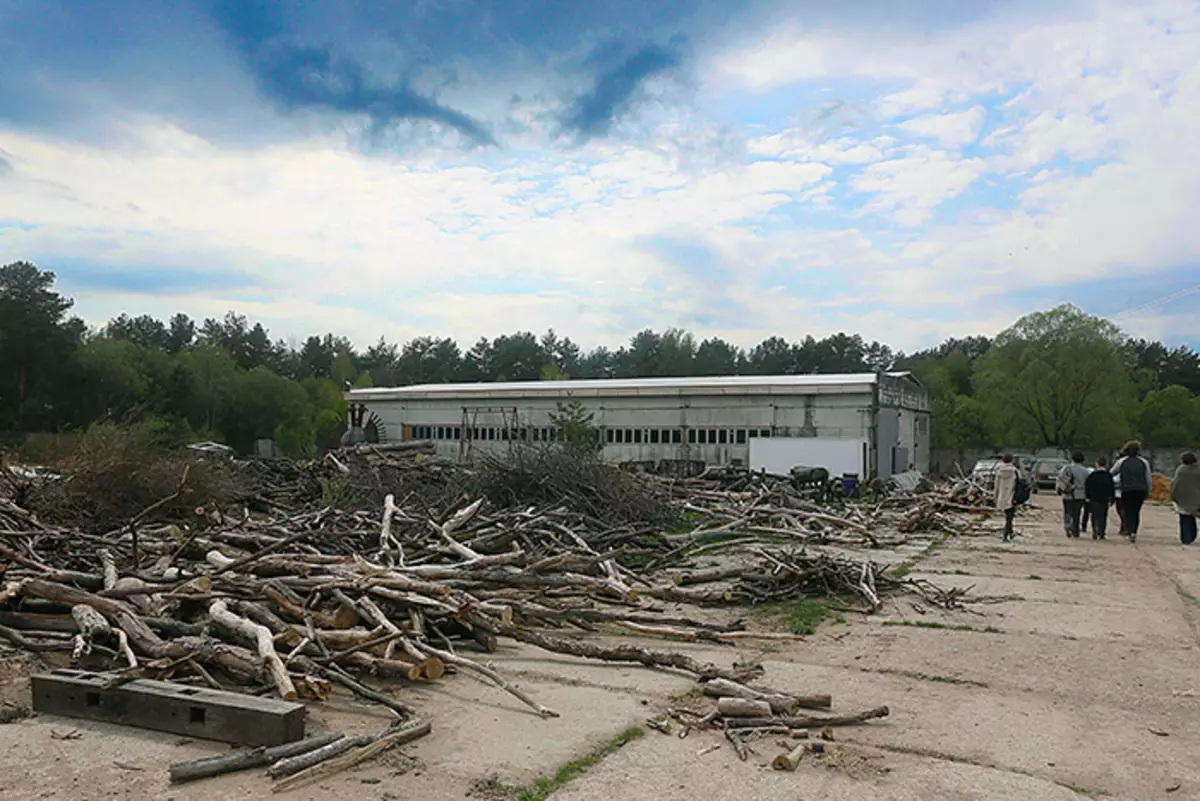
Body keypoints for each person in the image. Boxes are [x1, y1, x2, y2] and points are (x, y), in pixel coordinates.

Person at [1111, 441, 1152, 543]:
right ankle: (1134, 531)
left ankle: (1128, 530)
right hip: (1140, 489)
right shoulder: (1144, 462)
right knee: (1136, 511)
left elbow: (1112, 472)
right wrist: (1148, 490)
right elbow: (1148, 478)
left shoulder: (1122, 461)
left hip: (1126, 489)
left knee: (1128, 510)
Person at [1057, 452, 1090, 538]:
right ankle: (1075, 530)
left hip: (1067, 494)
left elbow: (1060, 479)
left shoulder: (1066, 468)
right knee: (1077, 513)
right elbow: (1088, 484)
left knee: (1067, 512)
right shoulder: (1085, 471)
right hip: (1080, 495)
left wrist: (1060, 489)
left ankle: (1067, 525)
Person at [1171, 452, 1200, 545]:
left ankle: (1186, 538)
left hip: (1183, 497)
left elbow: (1175, 483)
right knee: (1193, 517)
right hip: (1197, 499)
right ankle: (1192, 535)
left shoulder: (1180, 470)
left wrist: (1173, 495)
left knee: (1185, 519)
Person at [1084, 457, 1115, 540]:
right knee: (1103, 515)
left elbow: (1087, 486)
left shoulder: (1092, 475)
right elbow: (1112, 488)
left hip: (1093, 498)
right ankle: (1102, 532)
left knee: (1094, 515)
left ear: (1097, 464)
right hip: (1104, 498)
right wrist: (1112, 498)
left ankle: (1095, 529)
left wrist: (1087, 497)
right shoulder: (1108, 475)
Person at [994, 453, 1020, 541]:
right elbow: (1019, 484)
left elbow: (996, 486)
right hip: (1011, 496)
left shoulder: (998, 471)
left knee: (1008, 516)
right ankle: (1005, 535)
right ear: (1011, 460)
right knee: (1010, 517)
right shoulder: (1015, 471)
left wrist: (995, 497)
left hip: (1002, 496)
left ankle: (1011, 532)